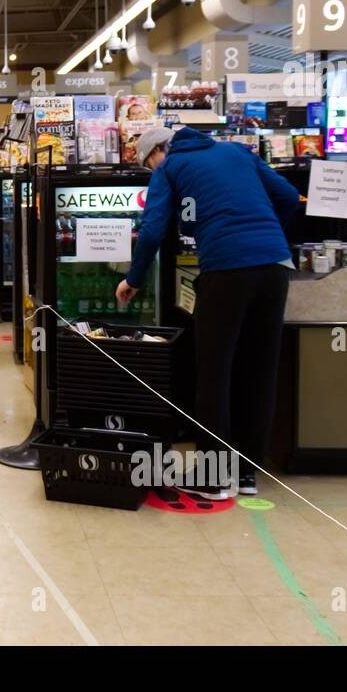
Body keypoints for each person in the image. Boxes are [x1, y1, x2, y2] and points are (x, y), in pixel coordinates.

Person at [115, 126, 302, 500]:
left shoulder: (170, 169)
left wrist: (132, 279)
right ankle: (246, 475)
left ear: (157, 153)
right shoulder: (236, 152)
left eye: (149, 165)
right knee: (259, 371)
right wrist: (262, 234)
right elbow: (287, 196)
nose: (153, 172)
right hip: (277, 265)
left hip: (227, 269)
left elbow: (152, 229)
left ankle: (214, 478)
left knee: (214, 373)